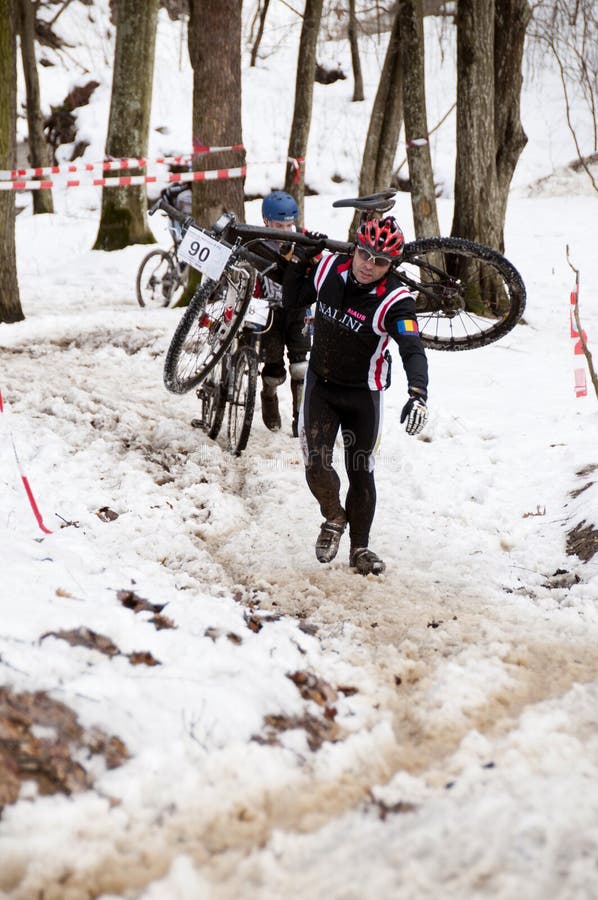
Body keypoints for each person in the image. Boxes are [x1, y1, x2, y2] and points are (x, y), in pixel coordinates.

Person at [283, 215, 429, 576]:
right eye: (365, 254)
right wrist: (301, 260)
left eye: (381, 261)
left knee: (361, 471)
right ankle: (334, 517)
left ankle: (360, 549)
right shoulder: (330, 267)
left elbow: (412, 347)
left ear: (391, 264)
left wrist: (418, 392)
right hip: (320, 386)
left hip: (363, 396)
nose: (369, 265)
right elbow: (291, 299)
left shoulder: (396, 299)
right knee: (316, 465)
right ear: (355, 249)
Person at [257, 190, 313, 437]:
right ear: (266, 221)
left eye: (288, 225)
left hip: (298, 309)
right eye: (278, 225)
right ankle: (268, 397)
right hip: (270, 311)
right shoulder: (257, 243)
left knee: (300, 365)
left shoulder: (302, 239)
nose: (283, 230)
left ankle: (300, 417)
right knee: (273, 368)